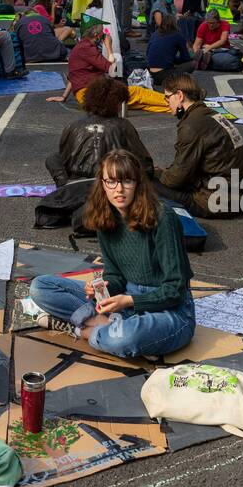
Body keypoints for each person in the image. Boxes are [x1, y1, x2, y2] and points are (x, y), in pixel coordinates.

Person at [28, 150, 196, 358]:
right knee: (41, 286)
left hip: (170, 311)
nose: (119, 190)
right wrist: (101, 288)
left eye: (126, 181)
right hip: (124, 304)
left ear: (138, 184)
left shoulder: (162, 218)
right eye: (111, 182)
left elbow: (175, 291)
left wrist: (128, 301)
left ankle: (84, 329)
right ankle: (106, 326)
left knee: (125, 338)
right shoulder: (105, 216)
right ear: (102, 184)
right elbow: (116, 275)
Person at [154, 71, 243, 217]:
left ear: (179, 95)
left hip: (217, 202)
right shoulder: (210, 114)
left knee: (146, 183)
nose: (166, 102)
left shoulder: (191, 124)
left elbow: (177, 178)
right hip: (240, 195)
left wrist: (158, 173)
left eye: (167, 97)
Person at [146, 12, 193, 85]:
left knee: (169, 59)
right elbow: (185, 58)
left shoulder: (155, 34)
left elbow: (147, 53)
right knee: (192, 64)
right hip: (164, 74)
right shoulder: (177, 35)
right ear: (175, 23)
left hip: (150, 74)